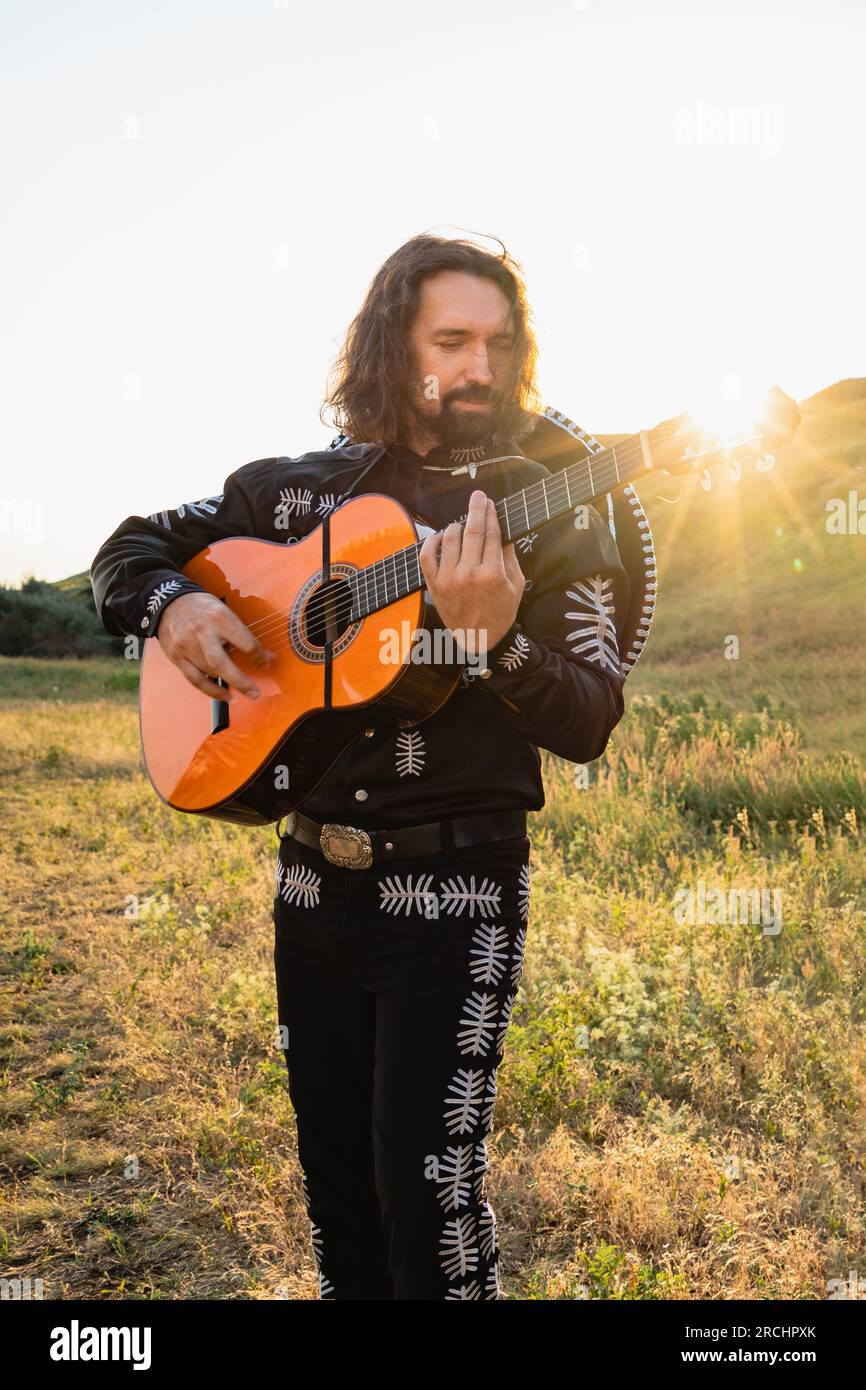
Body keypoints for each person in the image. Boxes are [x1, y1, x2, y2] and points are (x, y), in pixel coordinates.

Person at [90, 233, 632, 1300]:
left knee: (429, 1209)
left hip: (457, 889)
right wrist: (181, 603)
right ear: (392, 347)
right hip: (308, 884)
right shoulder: (292, 494)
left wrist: (495, 642)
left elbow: (585, 716)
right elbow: (127, 546)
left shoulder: (555, 502)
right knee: (336, 1197)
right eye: (450, 340)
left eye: (500, 340)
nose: (480, 365)